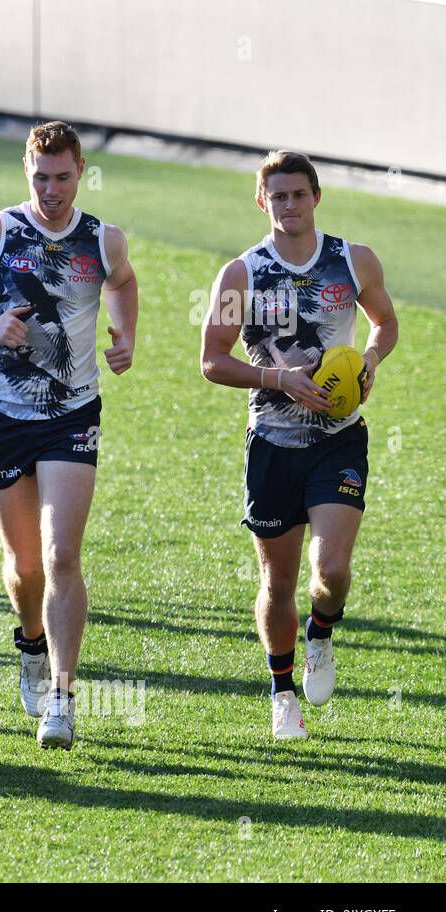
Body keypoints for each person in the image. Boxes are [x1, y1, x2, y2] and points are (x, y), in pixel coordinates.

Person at [0, 121, 139, 750]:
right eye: (41, 177)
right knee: (23, 568)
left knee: (60, 557)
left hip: (73, 414)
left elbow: (122, 282)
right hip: (3, 414)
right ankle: (29, 643)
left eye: (64, 177)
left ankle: (63, 698)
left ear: (81, 173)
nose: (52, 190)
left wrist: (125, 334)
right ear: (28, 172)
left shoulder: (102, 239)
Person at [200, 150, 397, 741]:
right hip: (272, 443)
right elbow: (212, 361)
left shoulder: (352, 261)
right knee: (277, 582)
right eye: (277, 196)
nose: (289, 205)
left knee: (331, 571)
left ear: (317, 197)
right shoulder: (241, 274)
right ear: (262, 202)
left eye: (298, 194)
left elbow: (385, 323)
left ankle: (322, 630)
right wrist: (278, 379)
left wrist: (369, 357)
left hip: (339, 439)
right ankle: (282, 691)